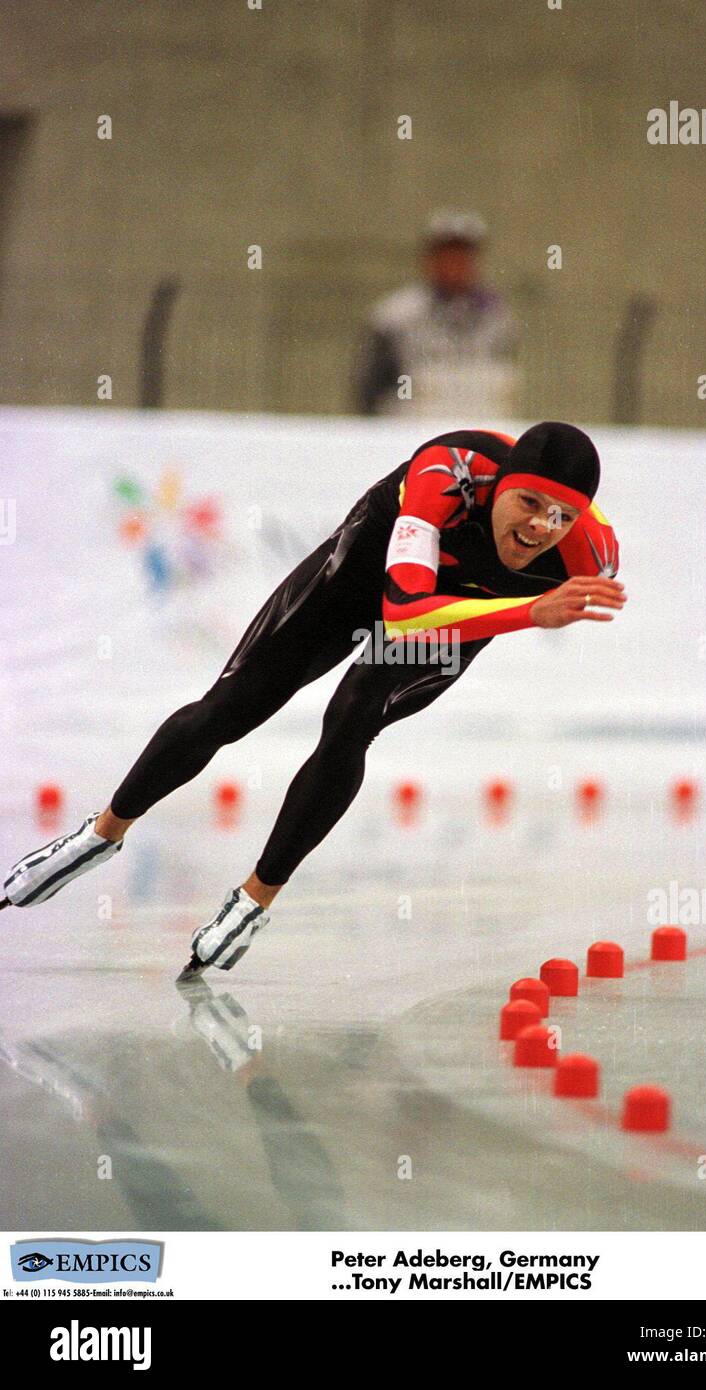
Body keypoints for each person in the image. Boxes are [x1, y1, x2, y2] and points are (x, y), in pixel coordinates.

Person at [2, 422, 625, 980]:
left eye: (562, 517)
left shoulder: (590, 554)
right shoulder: (449, 472)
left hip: (461, 611)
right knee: (232, 707)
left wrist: (514, 611)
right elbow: (403, 610)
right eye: (529, 503)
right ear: (500, 488)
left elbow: (431, 630)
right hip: (369, 573)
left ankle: (254, 900)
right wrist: (529, 611)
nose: (542, 527)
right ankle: (98, 836)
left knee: (354, 715)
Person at [355, 210, 518, 417]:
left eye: (463, 256)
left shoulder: (498, 315)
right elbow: (369, 390)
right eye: (447, 255)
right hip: (409, 436)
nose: (455, 264)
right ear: (429, 259)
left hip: (477, 433)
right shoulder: (394, 316)